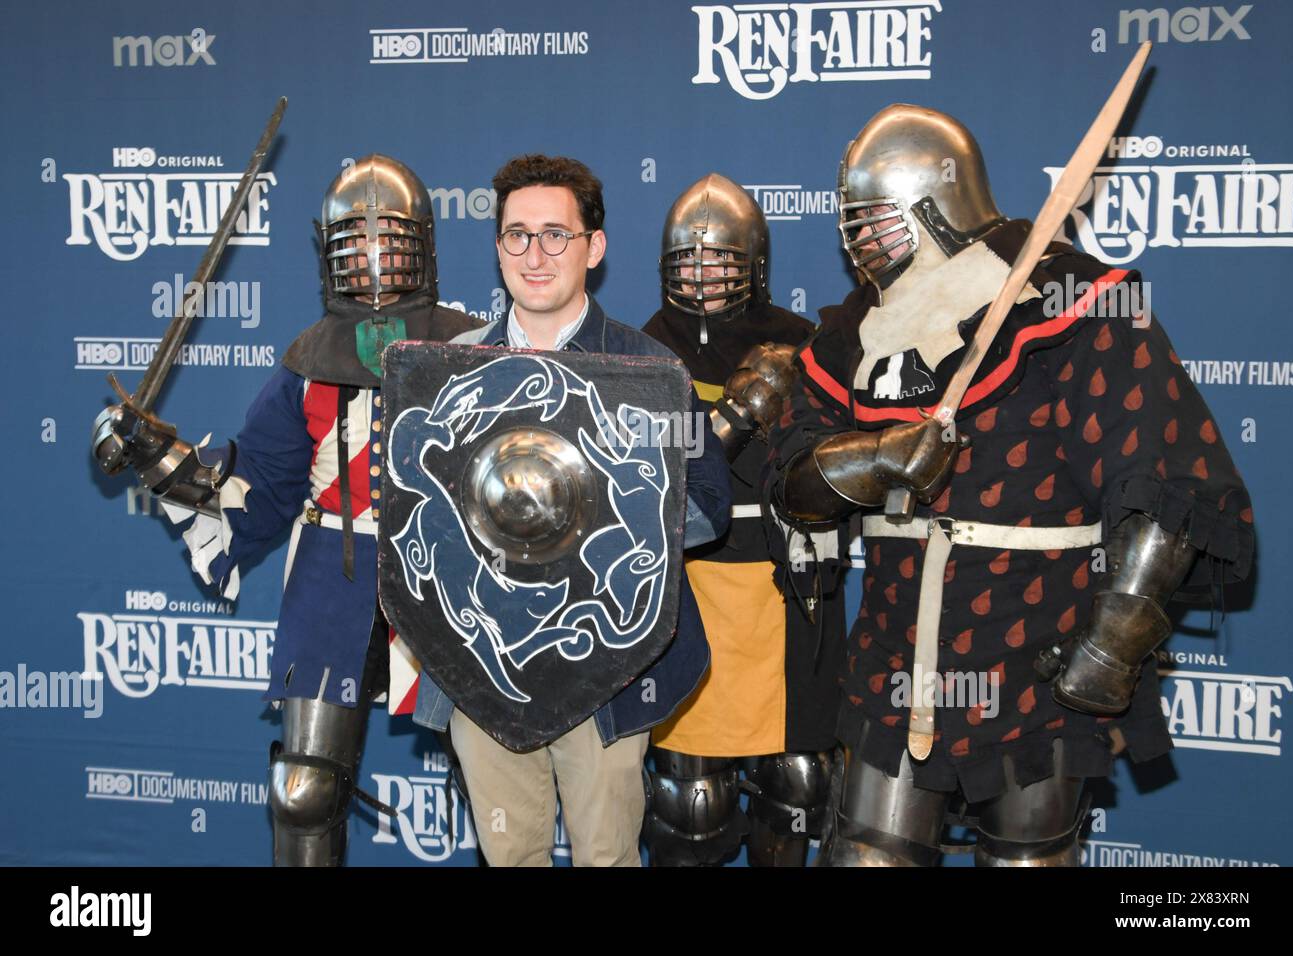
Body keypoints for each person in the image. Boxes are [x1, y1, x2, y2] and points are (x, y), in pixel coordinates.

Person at [765, 105, 1255, 866]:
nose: (856, 240)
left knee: (1029, 859)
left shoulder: (1068, 299)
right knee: (866, 857)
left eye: (872, 220)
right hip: (893, 655)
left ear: (934, 205)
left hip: (1034, 653)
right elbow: (794, 478)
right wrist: (877, 456)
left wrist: (1115, 640)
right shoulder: (851, 330)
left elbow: (1165, 477)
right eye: (851, 224)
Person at [100, 156, 482, 865]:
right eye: (354, 245)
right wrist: (159, 458)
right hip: (333, 573)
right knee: (304, 790)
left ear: (420, 246)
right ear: (329, 253)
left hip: (449, 574)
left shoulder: (472, 351)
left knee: (497, 786)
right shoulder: (306, 364)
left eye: (389, 243)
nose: (372, 261)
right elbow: (255, 484)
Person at [412, 154, 732, 867]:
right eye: (516, 235)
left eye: (556, 234)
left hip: (605, 665)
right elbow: (415, 513)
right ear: (496, 247)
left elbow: (710, 501)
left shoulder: (648, 369)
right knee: (510, 857)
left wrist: (611, 526)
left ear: (595, 246)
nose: (535, 254)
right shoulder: (451, 370)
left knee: (607, 859)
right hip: (484, 656)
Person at [640, 173, 838, 866]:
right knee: (690, 799)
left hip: (789, 582)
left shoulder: (804, 342)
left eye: (719, 259)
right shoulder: (644, 352)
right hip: (691, 584)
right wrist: (734, 417)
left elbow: (835, 460)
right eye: (689, 261)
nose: (703, 275)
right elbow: (649, 482)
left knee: (798, 783)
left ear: (753, 263)